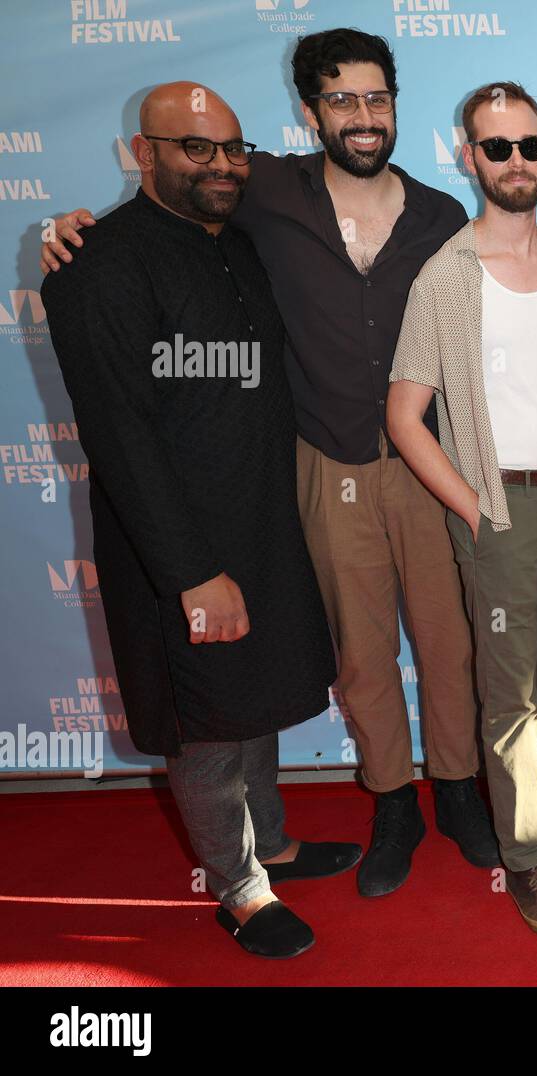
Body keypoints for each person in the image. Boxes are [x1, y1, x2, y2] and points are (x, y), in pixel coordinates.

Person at [39, 29, 537, 897]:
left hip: (429, 459)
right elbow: (173, 201)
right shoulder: (263, 189)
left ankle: (455, 789)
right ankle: (393, 801)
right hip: (323, 463)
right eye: (341, 100)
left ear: (396, 109)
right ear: (310, 111)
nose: (362, 117)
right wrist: (74, 228)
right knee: (362, 656)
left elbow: (509, 281)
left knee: (450, 648)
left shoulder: (443, 216)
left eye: (377, 99)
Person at [41, 83, 353, 958]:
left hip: (261, 522)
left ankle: (274, 843)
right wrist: (189, 572)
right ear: (143, 154)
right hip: (175, 546)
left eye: (232, 148)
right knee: (209, 722)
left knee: (253, 699)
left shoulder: (241, 241)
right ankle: (240, 890)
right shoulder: (98, 264)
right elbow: (119, 437)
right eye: (194, 149)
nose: (221, 166)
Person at [388, 82, 537, 940]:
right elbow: (402, 416)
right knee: (510, 695)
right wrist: (475, 508)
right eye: (498, 148)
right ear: (469, 157)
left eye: (530, 145)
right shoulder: (444, 278)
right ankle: (526, 861)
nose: (516, 160)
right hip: (500, 510)